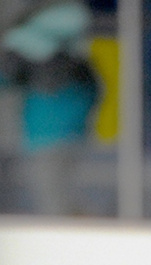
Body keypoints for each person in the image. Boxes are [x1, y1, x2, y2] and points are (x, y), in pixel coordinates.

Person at [0, 0, 99, 215]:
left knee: (55, 196)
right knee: (56, 194)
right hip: (51, 131)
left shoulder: (39, 48)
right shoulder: (55, 54)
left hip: (52, 133)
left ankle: (82, 238)